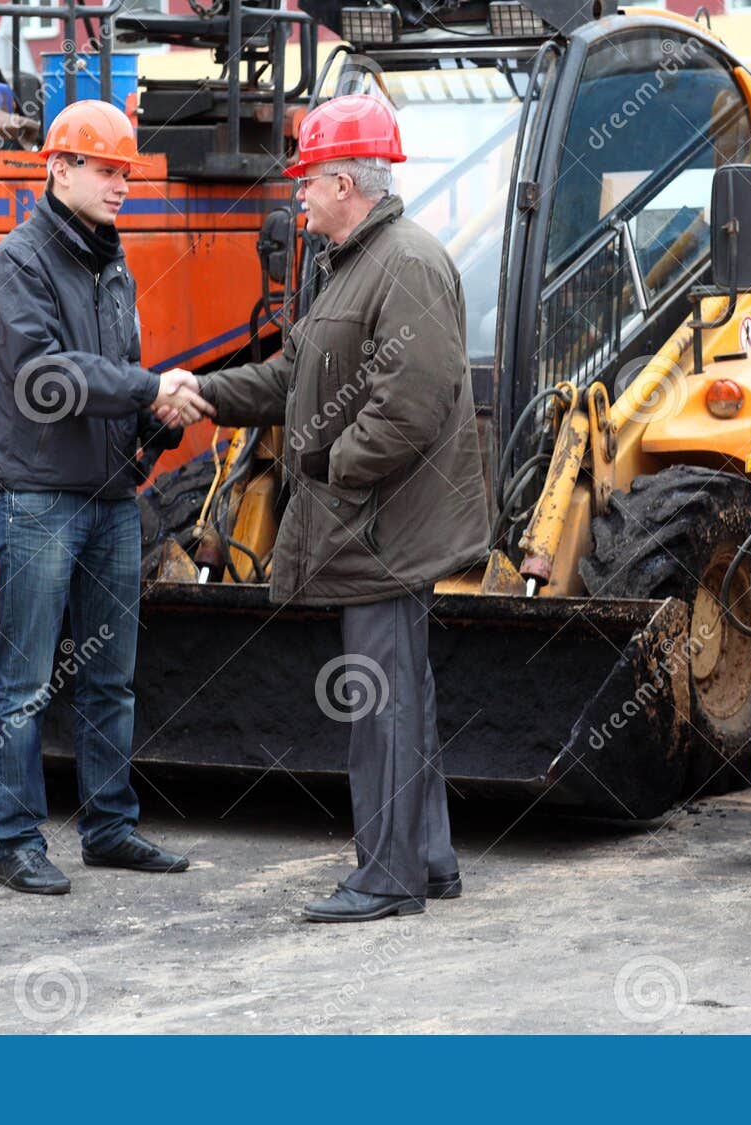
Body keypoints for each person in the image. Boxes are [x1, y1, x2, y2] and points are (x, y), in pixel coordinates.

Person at [189, 95, 490, 922]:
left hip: (383, 529)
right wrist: (205, 394)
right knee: (402, 696)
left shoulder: (407, 264)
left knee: (380, 703)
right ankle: (426, 859)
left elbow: (409, 405)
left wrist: (331, 468)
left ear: (348, 183)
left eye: (308, 180)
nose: (300, 196)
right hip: (372, 522)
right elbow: (293, 381)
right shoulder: (351, 265)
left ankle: (386, 877)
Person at [0, 100, 214, 895]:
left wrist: (157, 421)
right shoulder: (16, 265)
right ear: (58, 168)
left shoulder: (113, 263)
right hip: (42, 498)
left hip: (110, 498)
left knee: (111, 674)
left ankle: (108, 826)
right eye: (106, 171)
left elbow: (117, 378)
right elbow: (47, 378)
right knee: (26, 678)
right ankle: (17, 842)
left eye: (125, 172)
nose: (121, 185)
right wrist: (149, 386)